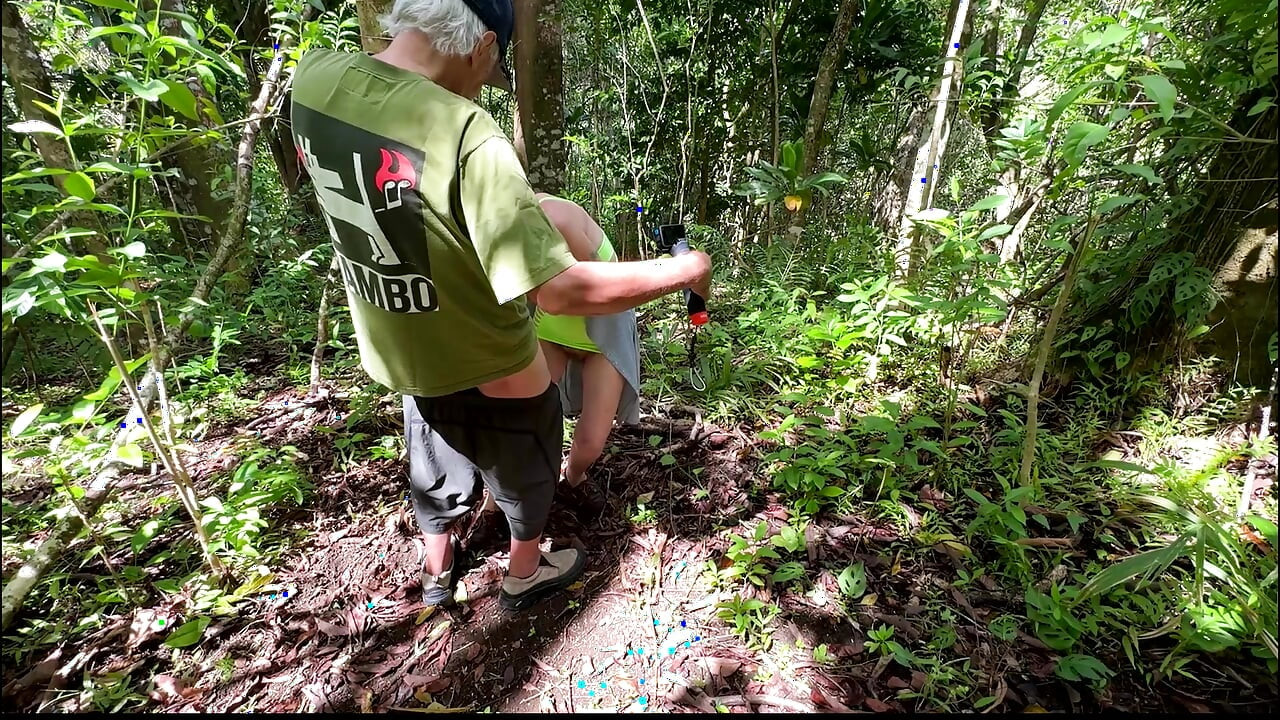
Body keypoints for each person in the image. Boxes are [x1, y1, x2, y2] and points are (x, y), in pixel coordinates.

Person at [289, 0, 711, 611]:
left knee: (433, 458)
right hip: (491, 354)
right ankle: (524, 572)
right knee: (525, 458)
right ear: (482, 46)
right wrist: (684, 270)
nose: (487, 82)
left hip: (401, 347)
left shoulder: (315, 78)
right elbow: (558, 290)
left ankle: (438, 575)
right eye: (492, 67)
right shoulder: (466, 132)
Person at [533, 194, 642, 512]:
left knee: (593, 439)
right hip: (549, 330)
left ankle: (574, 477)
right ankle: (513, 495)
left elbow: (599, 288)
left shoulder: (554, 217)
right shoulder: (493, 232)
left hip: (601, 332)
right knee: (527, 417)